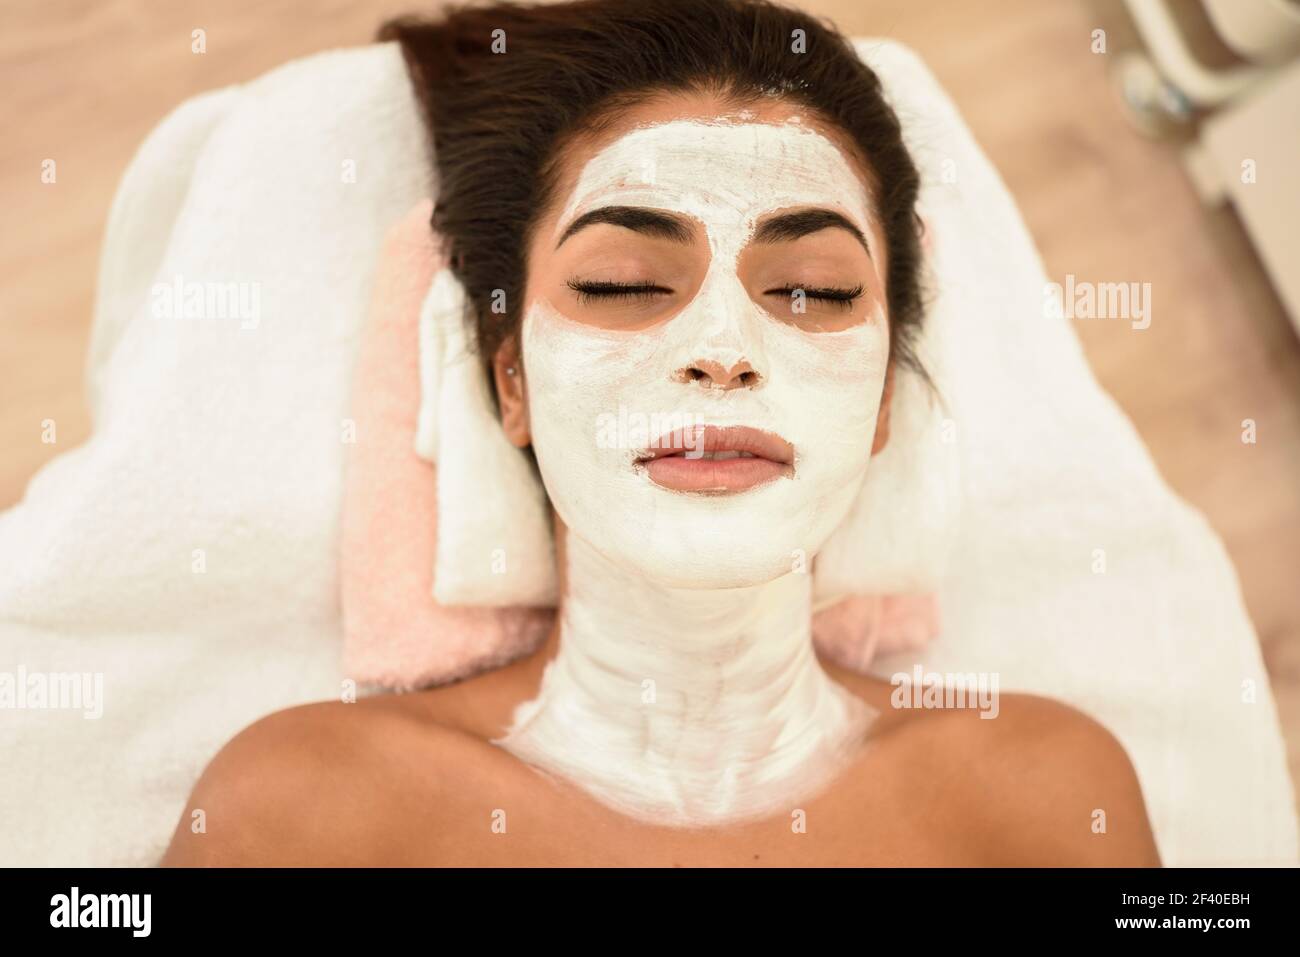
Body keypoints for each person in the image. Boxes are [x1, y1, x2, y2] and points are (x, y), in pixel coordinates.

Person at [161, 0, 1160, 867]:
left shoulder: (1045, 796)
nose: (722, 349)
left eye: (814, 291)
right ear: (510, 379)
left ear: (885, 401)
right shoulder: (303, 809)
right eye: (622, 285)